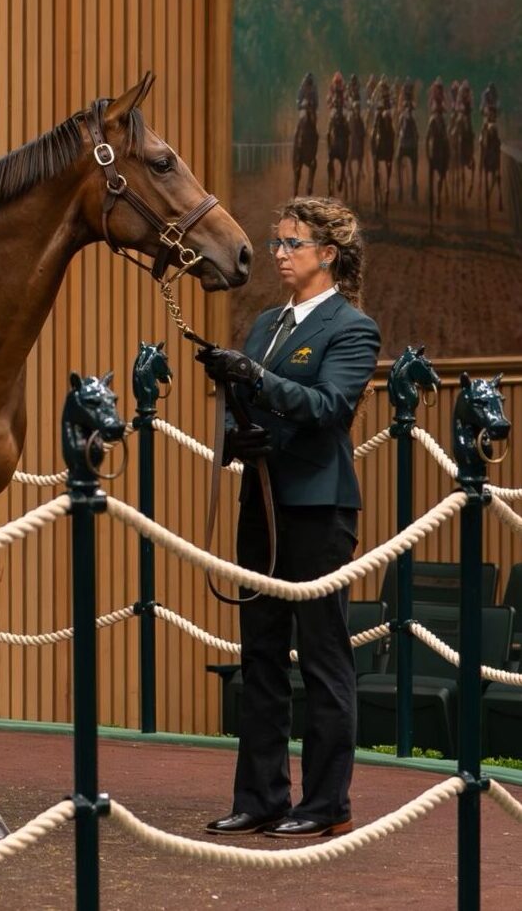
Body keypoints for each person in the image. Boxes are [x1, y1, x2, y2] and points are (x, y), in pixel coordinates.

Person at [196, 197, 381, 840]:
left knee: (323, 656)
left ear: (327, 254)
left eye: (291, 243)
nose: (278, 253)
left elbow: (328, 407)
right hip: (261, 501)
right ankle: (261, 797)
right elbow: (241, 405)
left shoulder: (352, 328)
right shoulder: (267, 323)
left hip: (317, 508)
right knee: (261, 654)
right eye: (277, 242)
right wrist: (234, 431)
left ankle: (327, 802)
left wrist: (253, 377)